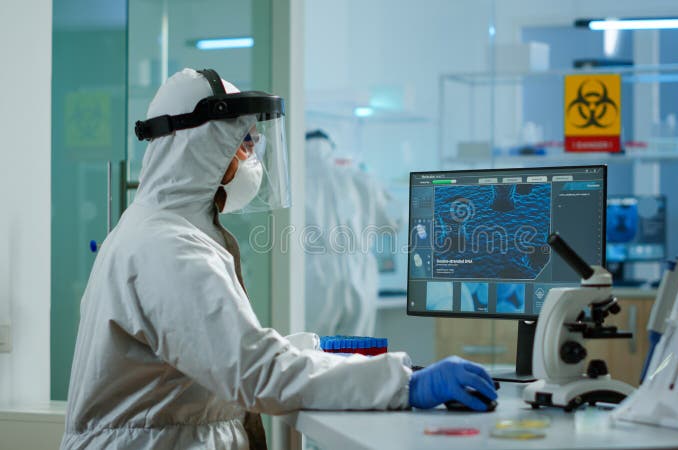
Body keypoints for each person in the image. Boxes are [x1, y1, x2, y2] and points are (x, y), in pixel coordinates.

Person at [60, 68, 496, 450]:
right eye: (244, 143)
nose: (253, 158)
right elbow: (256, 372)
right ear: (204, 145)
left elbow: (220, 351)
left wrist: (313, 350)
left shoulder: (153, 229)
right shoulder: (171, 249)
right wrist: (405, 384)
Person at [304, 131, 392, 336]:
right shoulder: (359, 176)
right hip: (360, 271)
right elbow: (393, 222)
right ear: (330, 144)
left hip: (317, 274)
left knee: (312, 351)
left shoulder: (296, 177)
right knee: (357, 353)